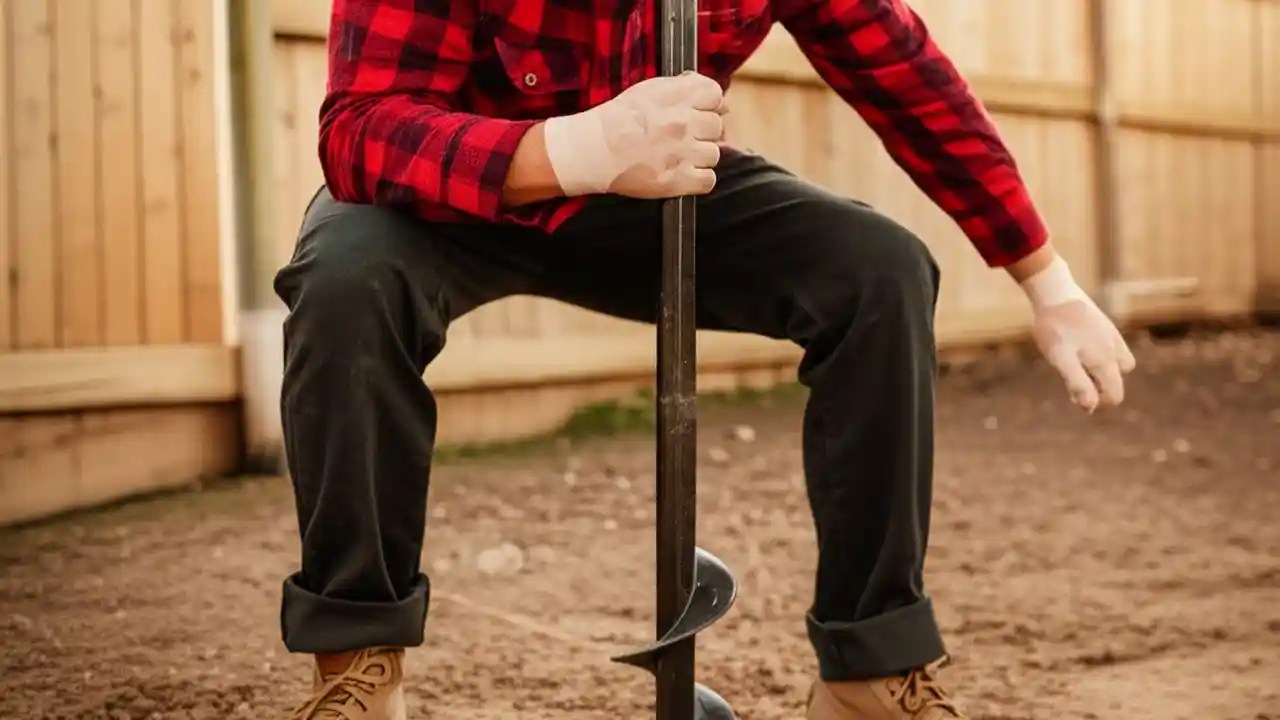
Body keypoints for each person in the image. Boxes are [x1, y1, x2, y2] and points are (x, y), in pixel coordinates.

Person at [277, 1, 1136, 718]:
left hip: (650, 188)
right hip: (450, 187)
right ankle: (359, 663)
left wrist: (1046, 279)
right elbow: (359, 127)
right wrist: (575, 152)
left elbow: (905, 76)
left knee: (881, 272)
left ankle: (869, 671)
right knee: (345, 281)